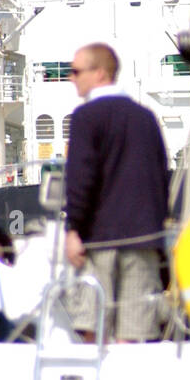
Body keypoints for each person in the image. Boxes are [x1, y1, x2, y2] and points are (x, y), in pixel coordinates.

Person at [63, 42, 169, 342]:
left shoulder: (86, 117)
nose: (72, 78)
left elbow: (81, 177)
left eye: (75, 71)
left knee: (91, 329)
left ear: (99, 73)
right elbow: (159, 176)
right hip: (143, 239)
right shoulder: (145, 117)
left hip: (101, 239)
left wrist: (74, 230)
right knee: (133, 334)